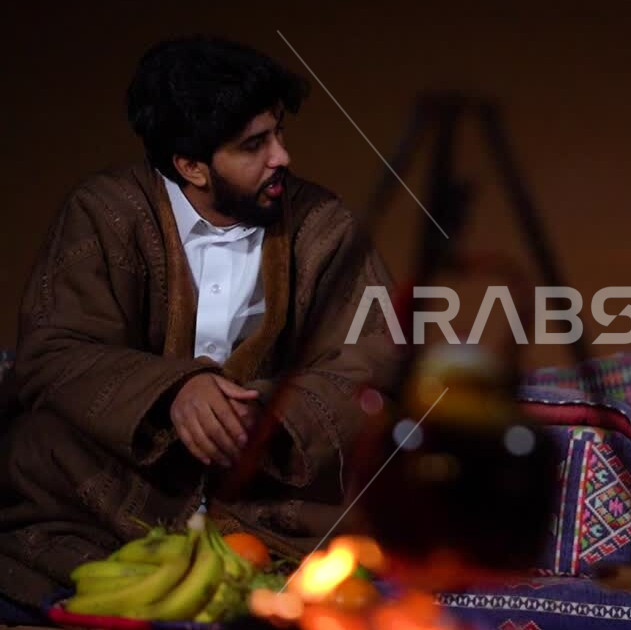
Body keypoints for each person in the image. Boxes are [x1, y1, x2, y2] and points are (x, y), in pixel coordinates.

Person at [0, 36, 398, 609]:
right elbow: (55, 349)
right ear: (192, 165)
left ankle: (233, 563)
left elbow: (373, 360)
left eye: (278, 133)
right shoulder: (105, 213)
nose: (281, 156)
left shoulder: (324, 225)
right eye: (254, 145)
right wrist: (177, 391)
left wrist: (257, 414)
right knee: (38, 444)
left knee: (390, 475)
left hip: (266, 480)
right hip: (132, 476)